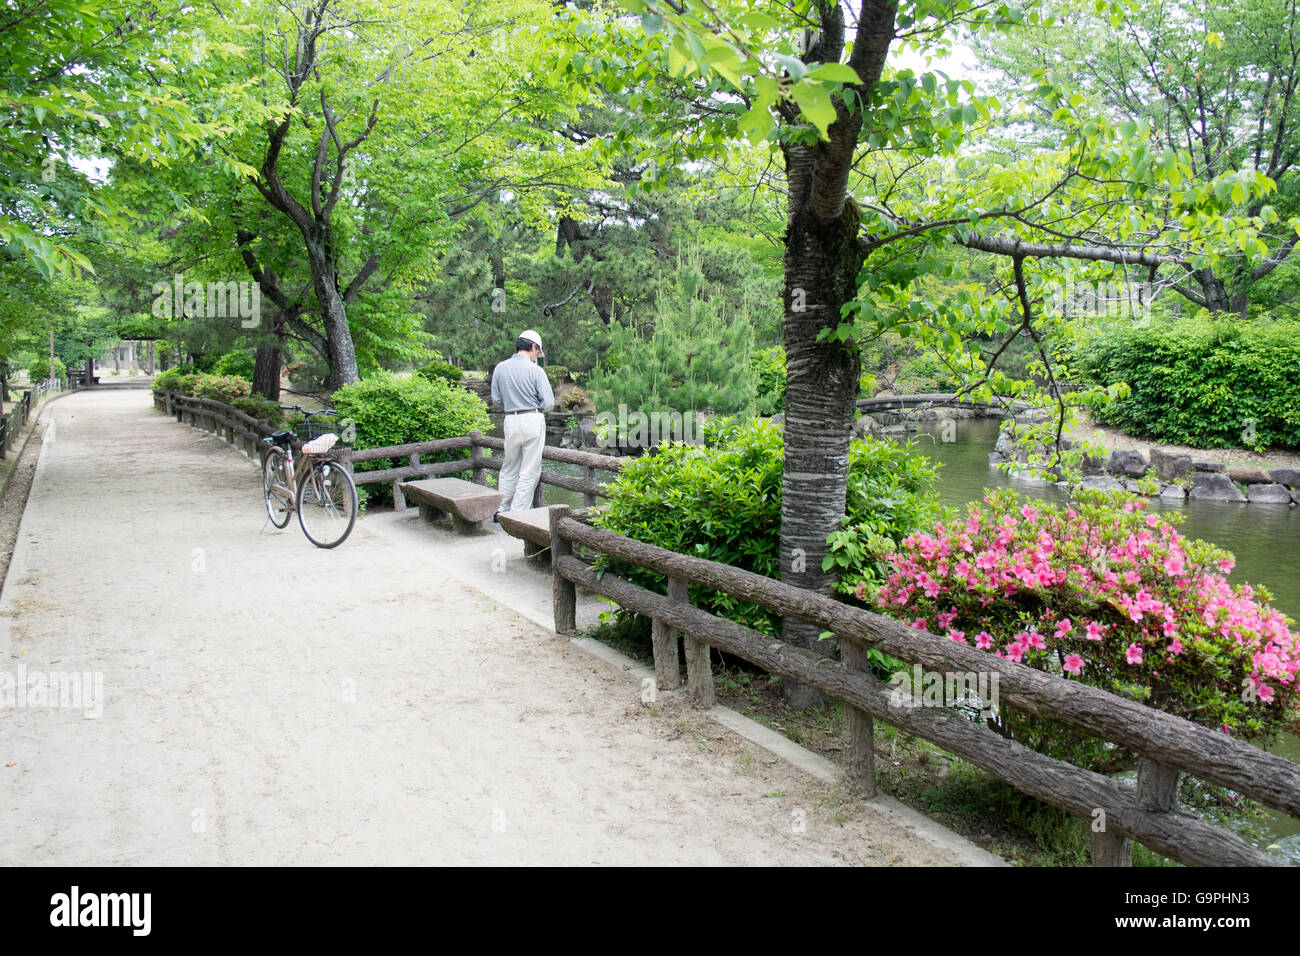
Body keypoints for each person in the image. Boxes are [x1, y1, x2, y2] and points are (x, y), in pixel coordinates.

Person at [490, 329, 554, 516]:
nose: (537, 357)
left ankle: (501, 509)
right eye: (537, 352)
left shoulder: (500, 368)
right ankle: (518, 515)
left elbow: (496, 399)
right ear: (533, 347)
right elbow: (548, 403)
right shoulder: (536, 371)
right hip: (532, 419)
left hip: (510, 419)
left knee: (509, 467)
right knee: (529, 470)